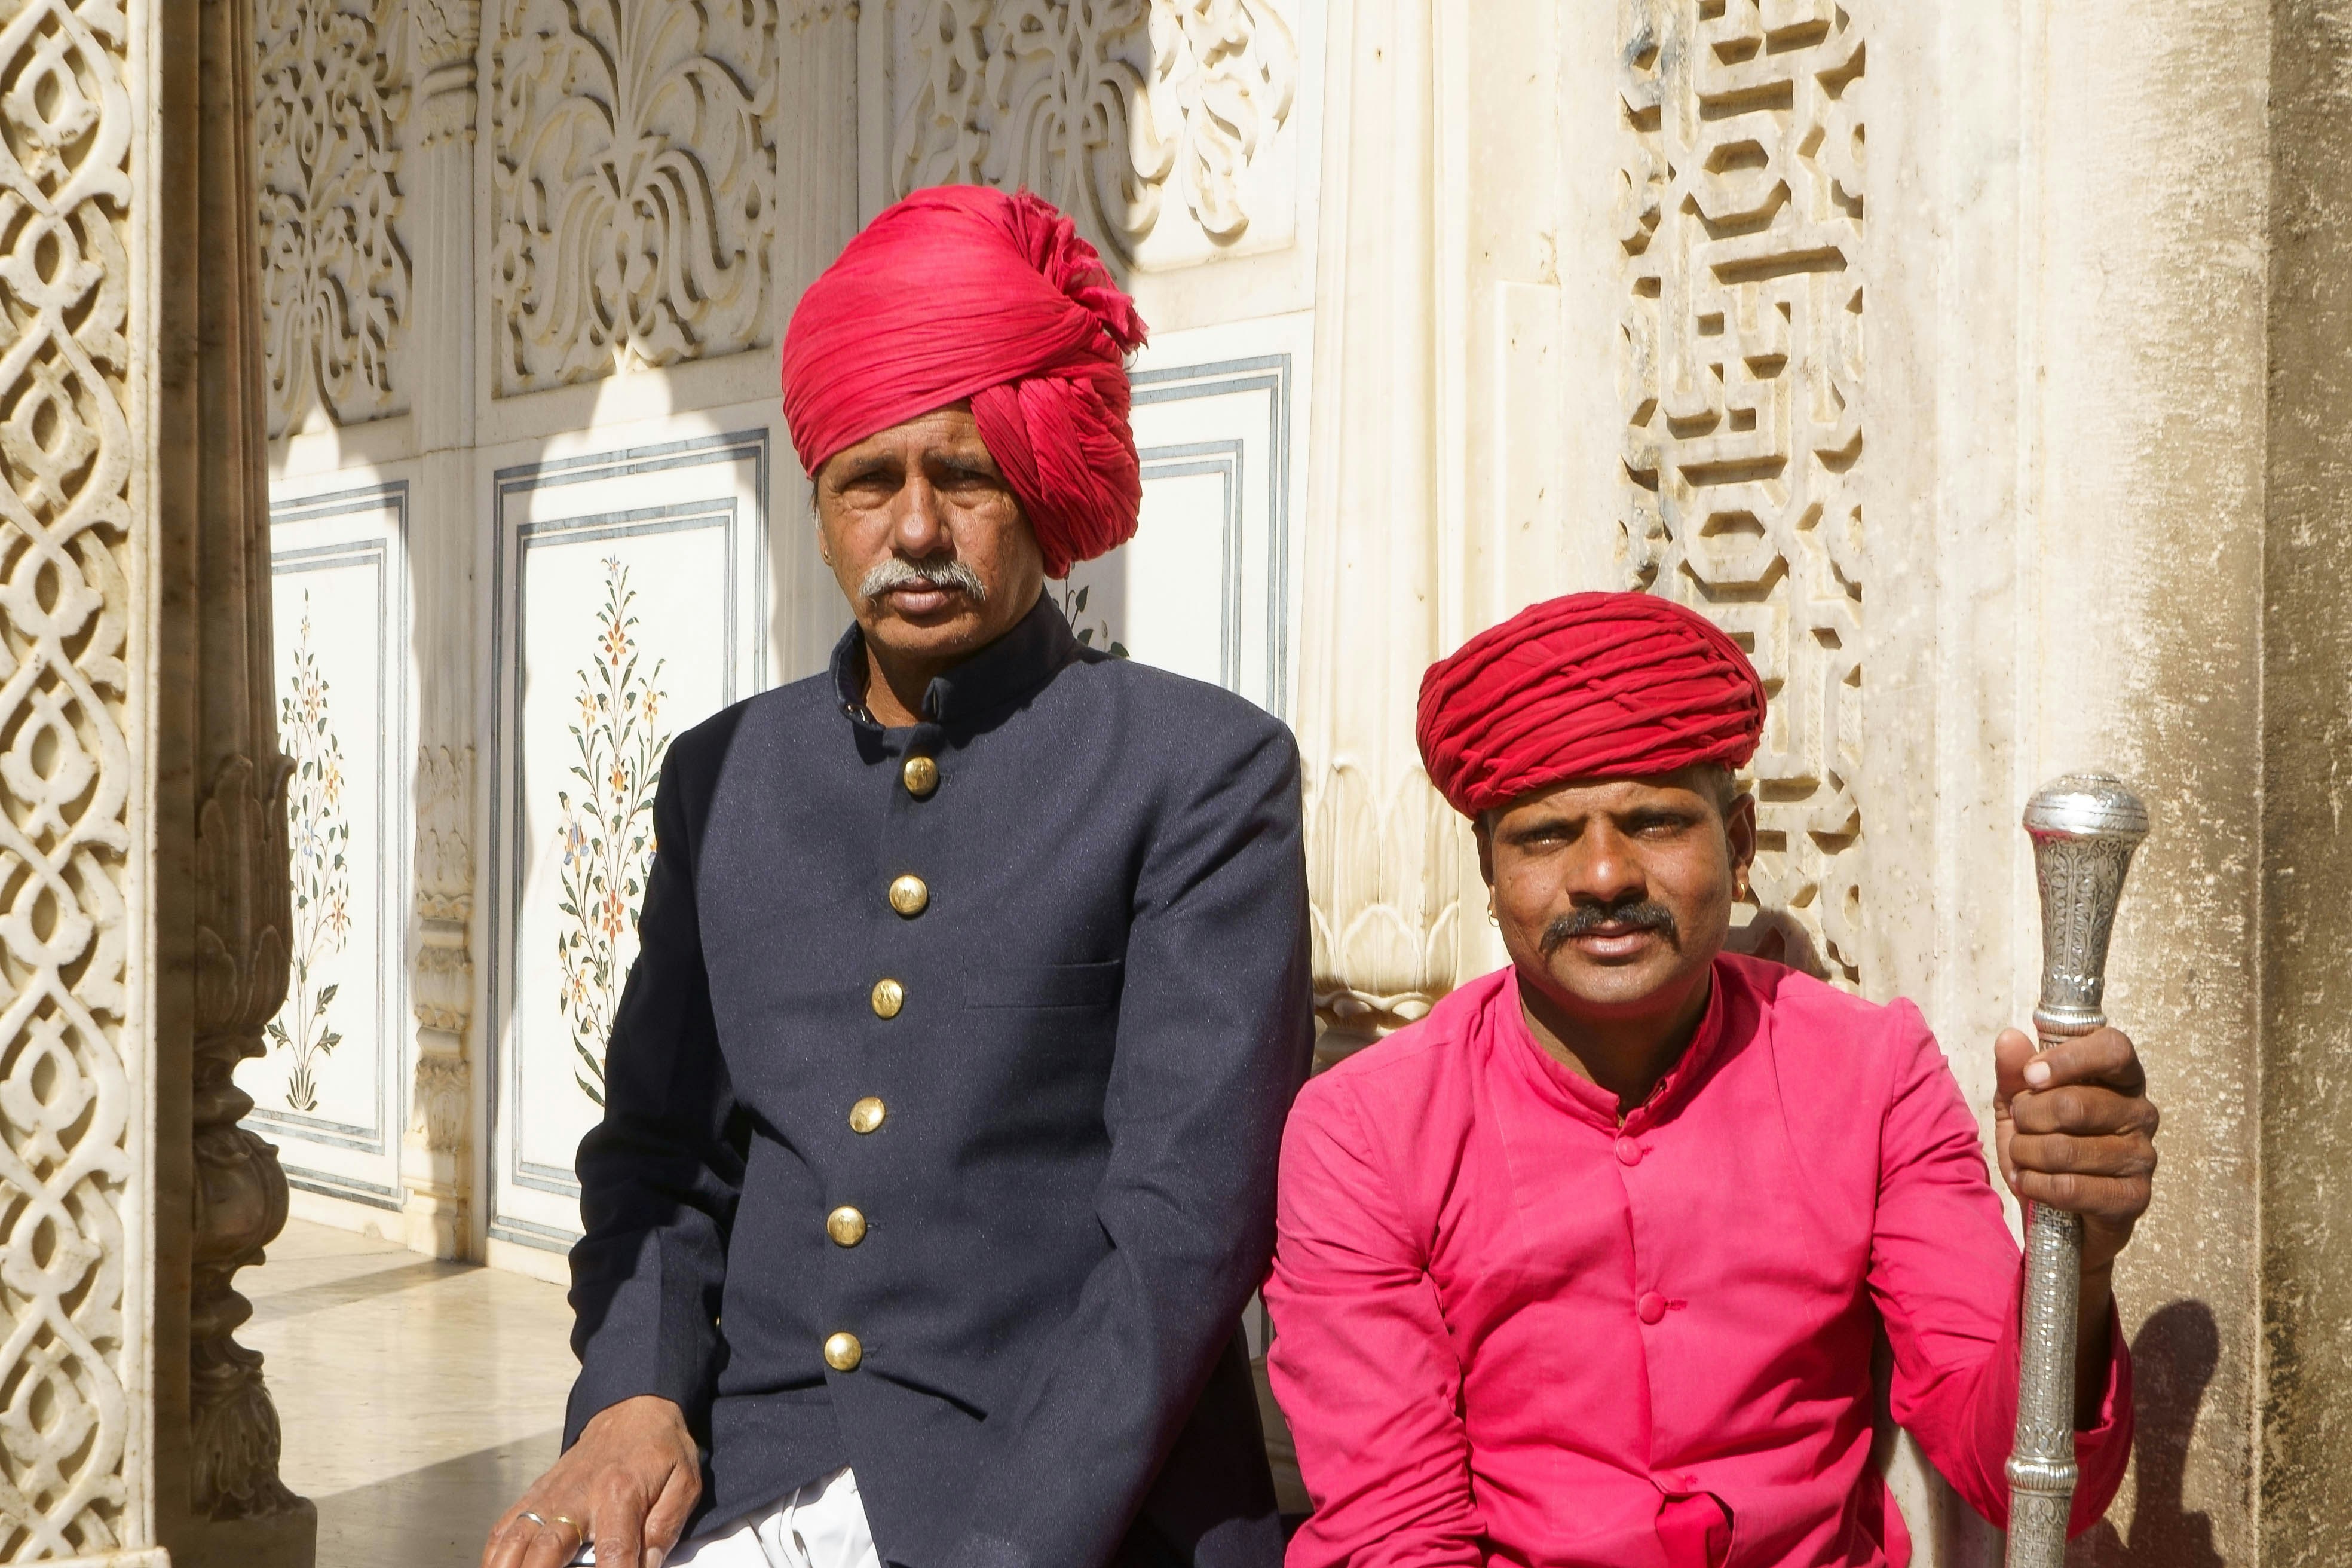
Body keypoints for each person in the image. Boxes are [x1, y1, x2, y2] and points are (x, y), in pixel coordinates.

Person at [482, 187, 1313, 1568]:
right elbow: (663, 1160)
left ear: (1042, 494)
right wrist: (633, 1395)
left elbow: (1183, 1239)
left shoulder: (1198, 771)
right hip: (760, 1478)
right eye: (869, 483)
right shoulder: (725, 775)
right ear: (818, 513)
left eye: (965, 476)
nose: (915, 528)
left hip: (1078, 1505)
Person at [1263, 592, 2159, 1568]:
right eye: (1547, 836)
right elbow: (1397, 1537)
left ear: (1738, 849)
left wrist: (2080, 1260)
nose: (1604, 875)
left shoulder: (1872, 1073)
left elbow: (2007, 1470)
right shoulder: (1364, 1130)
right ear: (1488, 868)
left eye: (1653, 822)